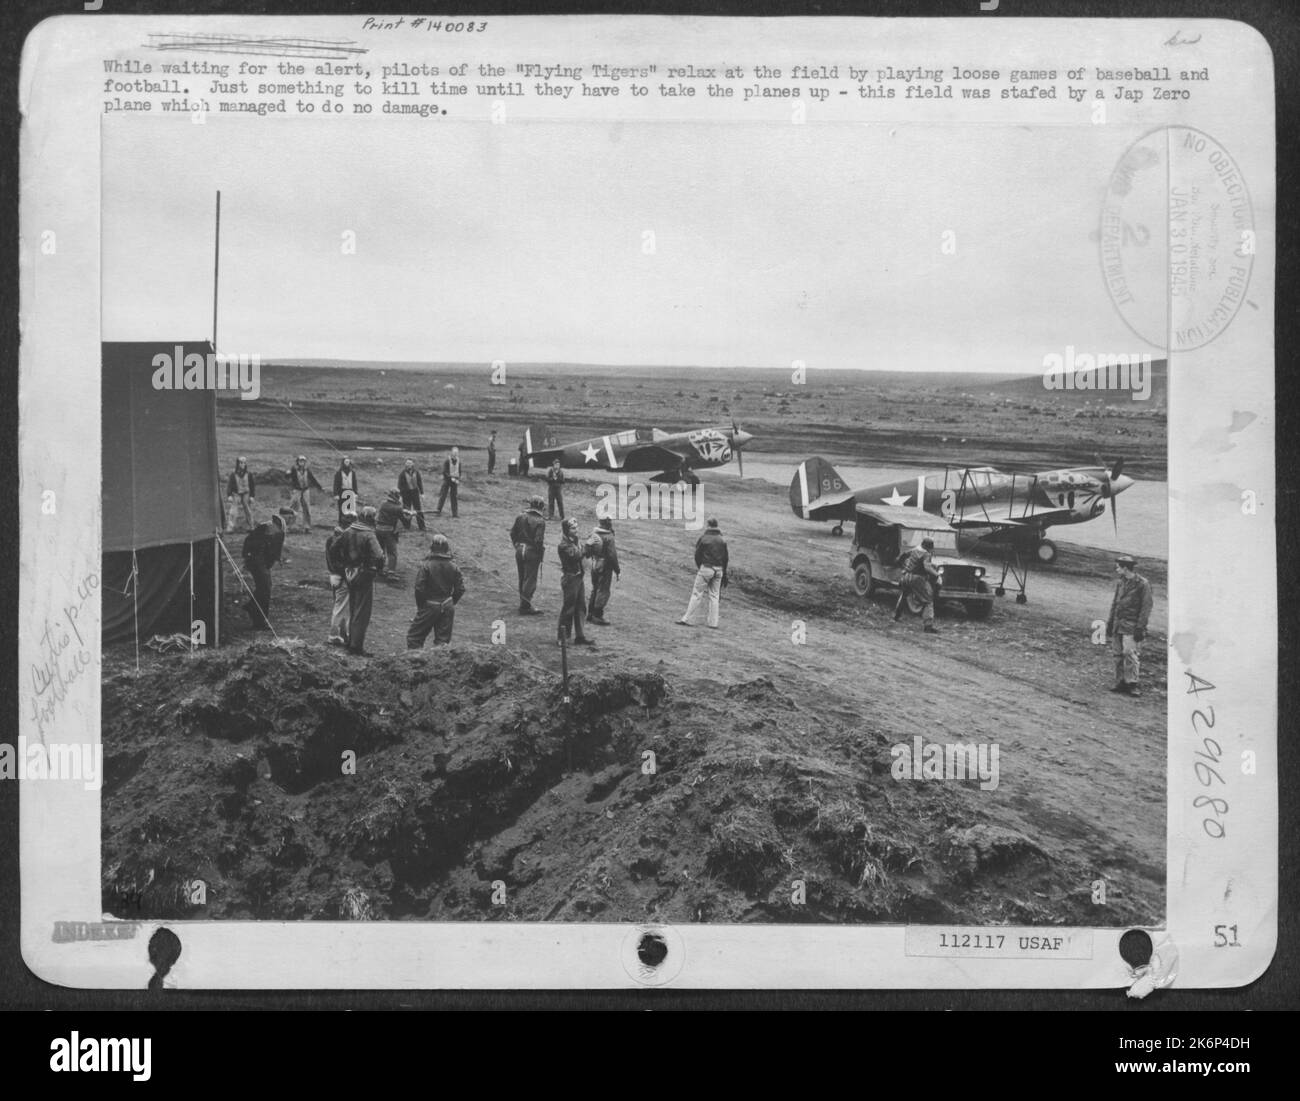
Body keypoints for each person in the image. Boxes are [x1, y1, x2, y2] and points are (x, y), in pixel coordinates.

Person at [337, 506, 385, 656]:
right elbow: (379, 556)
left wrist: (342, 566)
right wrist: (376, 569)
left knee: (353, 608)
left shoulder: (348, 531)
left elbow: (334, 548)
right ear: (371, 519)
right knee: (362, 612)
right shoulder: (369, 534)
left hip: (349, 572)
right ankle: (356, 646)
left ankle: (351, 641)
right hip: (364, 574)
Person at [406, 534, 466, 648]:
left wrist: (422, 606)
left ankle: (416, 664)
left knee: (414, 637)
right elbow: (460, 588)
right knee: (442, 643)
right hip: (447, 605)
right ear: (447, 548)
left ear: (432, 548)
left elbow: (419, 588)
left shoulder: (426, 566)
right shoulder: (454, 566)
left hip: (430, 605)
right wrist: (451, 602)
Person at [1106, 554, 1153, 697]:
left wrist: (1140, 627)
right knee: (1118, 655)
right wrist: (1110, 623)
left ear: (1125, 568)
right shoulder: (1121, 582)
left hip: (1131, 626)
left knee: (1129, 653)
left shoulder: (1142, 584)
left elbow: (1146, 607)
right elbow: (1115, 603)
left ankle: (1132, 683)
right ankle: (1120, 682)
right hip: (1118, 624)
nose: (1116, 569)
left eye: (1118, 567)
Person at [676, 517, 728, 629]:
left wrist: (701, 567)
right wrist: (725, 573)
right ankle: (713, 623)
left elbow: (697, 555)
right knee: (714, 596)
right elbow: (725, 558)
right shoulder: (722, 539)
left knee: (697, 593)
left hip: (706, 568)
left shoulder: (704, 538)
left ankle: (687, 619)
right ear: (717, 525)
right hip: (719, 570)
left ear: (708, 525)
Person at [241, 513, 285, 629]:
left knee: (265, 587)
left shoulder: (274, 527)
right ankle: (259, 620)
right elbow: (254, 544)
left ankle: (252, 608)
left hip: (260, 562)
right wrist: (250, 559)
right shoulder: (270, 527)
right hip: (257, 561)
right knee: (265, 587)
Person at [557, 517, 596, 647]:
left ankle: (580, 636)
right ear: (566, 530)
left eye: (576, 527)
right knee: (568, 609)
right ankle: (563, 638)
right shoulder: (563, 545)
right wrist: (588, 545)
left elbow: (583, 553)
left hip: (578, 578)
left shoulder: (575, 541)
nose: (576, 529)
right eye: (573, 528)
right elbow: (576, 556)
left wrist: (591, 547)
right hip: (570, 579)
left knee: (580, 608)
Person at [893, 536, 941, 633]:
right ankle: (928, 626)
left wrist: (899, 564)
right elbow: (927, 567)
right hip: (917, 578)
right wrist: (937, 575)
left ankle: (896, 616)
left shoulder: (915, 550)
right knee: (928, 600)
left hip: (906, 576)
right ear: (929, 547)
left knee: (904, 595)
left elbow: (904, 555)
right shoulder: (926, 554)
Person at [510, 495, 547, 614]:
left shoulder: (520, 516)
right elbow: (538, 541)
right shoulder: (540, 521)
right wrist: (539, 552)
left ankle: (523, 603)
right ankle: (525, 606)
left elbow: (512, 532)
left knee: (522, 577)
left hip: (519, 549)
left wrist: (516, 545)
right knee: (530, 579)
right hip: (531, 552)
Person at [325, 516, 353, 647]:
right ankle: (334, 635)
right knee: (341, 607)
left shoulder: (331, 539)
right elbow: (343, 561)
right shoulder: (344, 539)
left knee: (340, 605)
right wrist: (345, 574)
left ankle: (342, 633)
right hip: (341, 576)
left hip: (333, 575)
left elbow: (330, 560)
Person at [586, 516, 620, 625]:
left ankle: (590, 613)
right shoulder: (608, 537)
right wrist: (617, 569)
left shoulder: (594, 533)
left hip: (594, 563)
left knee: (595, 589)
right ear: (608, 522)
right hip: (605, 566)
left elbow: (588, 550)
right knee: (603, 590)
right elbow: (612, 555)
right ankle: (597, 615)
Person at [375, 489, 410, 578]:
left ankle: (379, 570)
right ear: (397, 497)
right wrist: (410, 516)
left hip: (378, 530)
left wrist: (403, 510)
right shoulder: (398, 508)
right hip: (389, 531)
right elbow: (405, 521)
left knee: (380, 551)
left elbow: (392, 509)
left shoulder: (383, 504)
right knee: (392, 553)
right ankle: (391, 573)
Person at [285, 455, 317, 530]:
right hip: (297, 490)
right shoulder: (293, 469)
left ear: (305, 462)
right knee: (294, 507)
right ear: (298, 462)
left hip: (305, 490)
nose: (302, 462)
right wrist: (287, 473)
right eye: (300, 461)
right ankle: (290, 526)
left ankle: (307, 526)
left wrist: (319, 487)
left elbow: (312, 478)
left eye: (303, 461)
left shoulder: (307, 470)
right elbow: (287, 477)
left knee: (307, 508)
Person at [226, 457, 256, 532]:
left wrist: (252, 496)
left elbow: (252, 485)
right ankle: (230, 527)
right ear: (238, 464)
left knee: (247, 509)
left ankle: (251, 526)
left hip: (246, 493)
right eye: (241, 463)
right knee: (233, 510)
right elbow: (230, 485)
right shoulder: (233, 474)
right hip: (236, 493)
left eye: (244, 463)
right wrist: (229, 495)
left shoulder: (249, 474)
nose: (243, 464)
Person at [398, 459, 426, 531]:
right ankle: (407, 526)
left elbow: (419, 483)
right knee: (407, 510)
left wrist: (422, 493)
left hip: (415, 493)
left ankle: (422, 526)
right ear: (405, 464)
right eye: (407, 463)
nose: (408, 464)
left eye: (410, 463)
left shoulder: (416, 472)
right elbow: (399, 485)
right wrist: (400, 496)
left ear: (413, 464)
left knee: (418, 509)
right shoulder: (402, 473)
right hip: (406, 494)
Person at [435, 447, 461, 518]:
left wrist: (458, 479)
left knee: (454, 498)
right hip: (447, 481)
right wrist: (450, 478)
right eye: (454, 452)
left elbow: (459, 471)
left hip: (454, 482)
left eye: (456, 452)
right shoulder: (447, 461)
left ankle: (455, 514)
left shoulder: (459, 461)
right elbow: (445, 472)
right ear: (452, 452)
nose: (455, 454)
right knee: (443, 496)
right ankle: (438, 511)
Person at [333, 457, 359, 523]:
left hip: (350, 492)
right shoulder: (339, 472)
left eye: (348, 462)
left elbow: (354, 483)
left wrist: (356, 493)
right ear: (343, 463)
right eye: (346, 462)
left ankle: (350, 524)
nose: (347, 463)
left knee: (350, 509)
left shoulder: (352, 472)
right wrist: (336, 494)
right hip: (342, 492)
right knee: (342, 509)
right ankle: (341, 524)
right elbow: (335, 484)